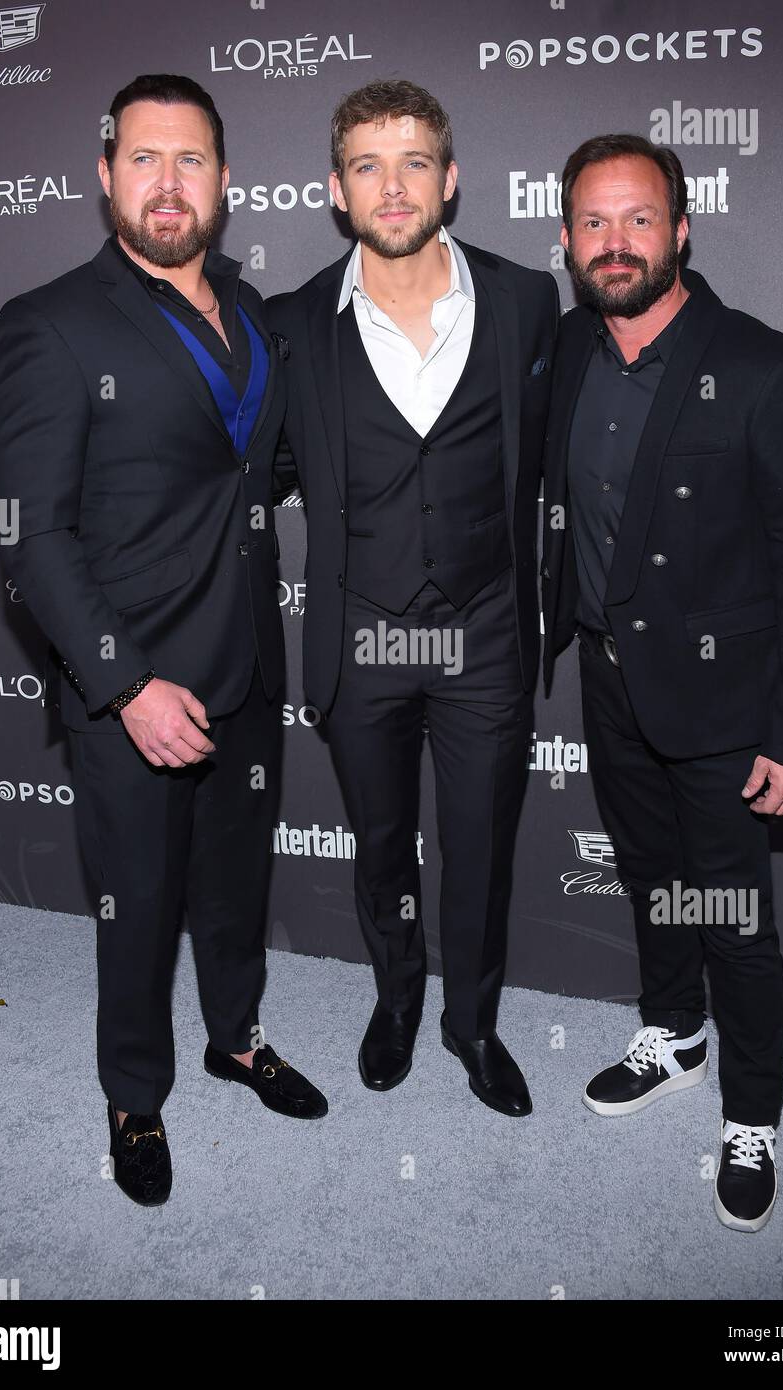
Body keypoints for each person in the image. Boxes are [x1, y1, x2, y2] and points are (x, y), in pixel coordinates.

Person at [0, 73, 326, 1208]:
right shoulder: (49, 322)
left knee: (235, 888)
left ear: (225, 182)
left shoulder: (255, 313)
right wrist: (126, 685)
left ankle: (236, 1037)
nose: (167, 182)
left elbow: (256, 470)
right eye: (144, 157)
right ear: (105, 175)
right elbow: (35, 540)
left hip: (245, 662)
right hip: (129, 679)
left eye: (190, 160)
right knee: (135, 905)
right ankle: (134, 1095)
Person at [541, 133, 783, 1229]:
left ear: (679, 230)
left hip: (725, 702)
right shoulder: (568, 351)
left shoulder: (765, 368)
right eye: (591, 222)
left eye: (635, 220)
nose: (613, 243)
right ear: (567, 237)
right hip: (607, 674)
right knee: (650, 876)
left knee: (730, 913)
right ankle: (673, 1034)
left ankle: (750, 1108)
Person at [268, 80, 558, 1115]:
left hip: (482, 630)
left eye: (414, 162)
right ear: (337, 192)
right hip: (362, 633)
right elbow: (243, 476)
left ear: (451, 178)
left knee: (480, 846)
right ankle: (397, 998)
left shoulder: (528, 298)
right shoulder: (291, 324)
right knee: (383, 842)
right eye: (366, 165)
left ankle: (470, 1023)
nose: (393, 187)